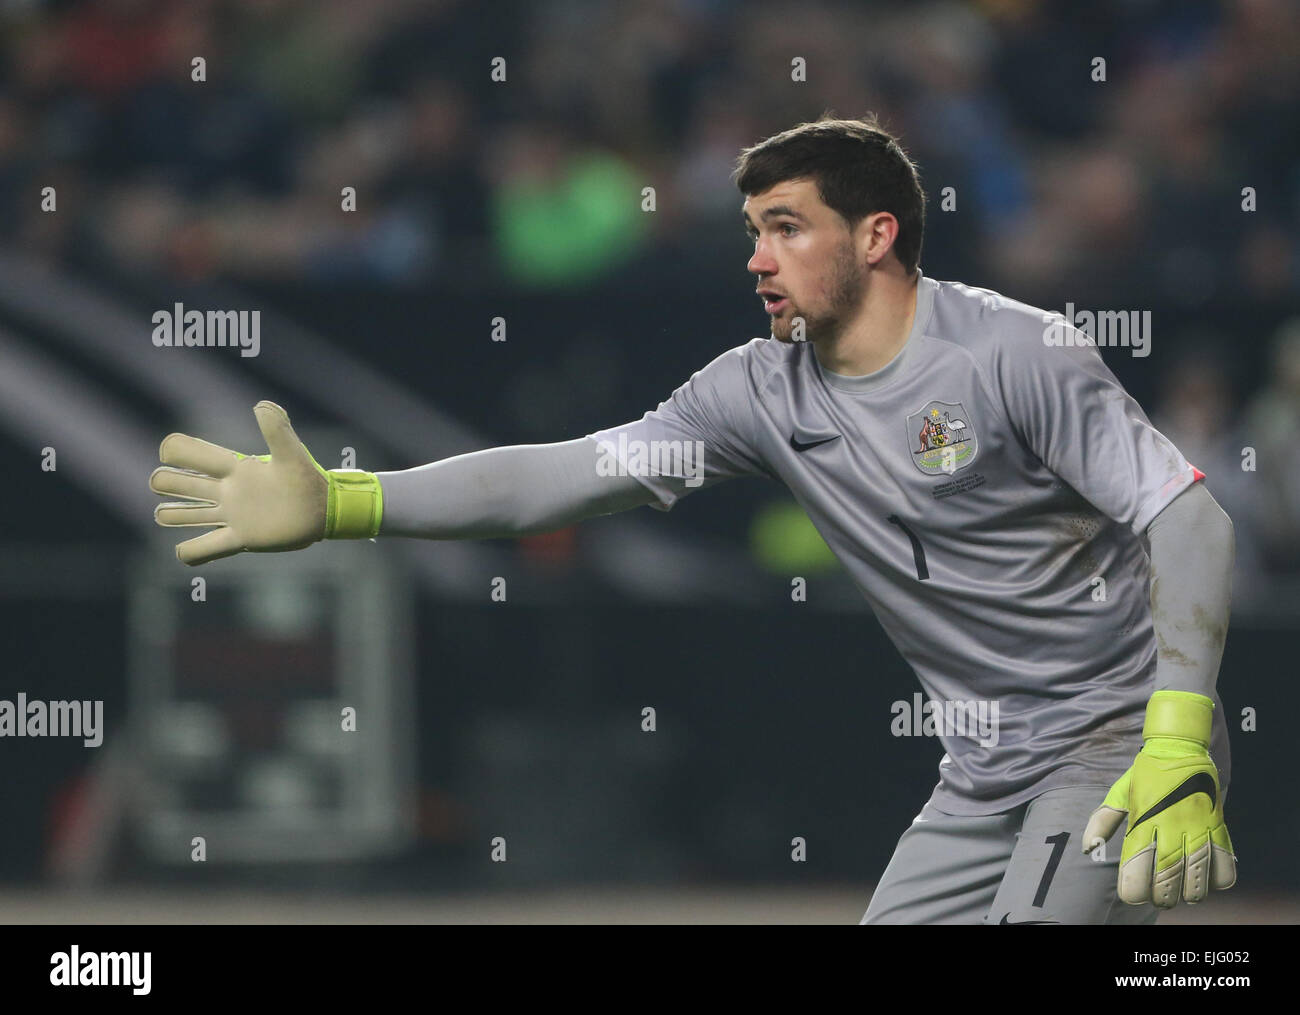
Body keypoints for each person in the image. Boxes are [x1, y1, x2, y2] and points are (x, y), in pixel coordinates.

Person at [150, 114, 1236, 925]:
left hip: (1117, 740)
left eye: (785, 228)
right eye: (752, 231)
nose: (756, 257)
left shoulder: (1016, 353)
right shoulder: (752, 393)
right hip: (979, 769)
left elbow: (1190, 521)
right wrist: (349, 501)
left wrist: (1179, 738)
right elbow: (565, 476)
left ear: (875, 237)